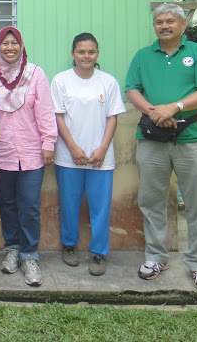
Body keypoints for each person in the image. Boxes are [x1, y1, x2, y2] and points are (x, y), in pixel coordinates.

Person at [125, 3, 197, 292]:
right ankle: (156, 257)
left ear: (182, 24)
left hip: (192, 138)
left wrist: (175, 107)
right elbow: (132, 88)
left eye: (170, 21)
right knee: (151, 200)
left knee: (196, 203)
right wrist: (155, 111)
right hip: (152, 138)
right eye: (159, 22)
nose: (164, 26)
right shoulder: (143, 56)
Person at [0, 27, 56, 287]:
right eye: (5, 44)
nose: (10, 48)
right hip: (1, 153)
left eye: (14, 43)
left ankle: (29, 255)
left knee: (30, 204)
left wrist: (48, 143)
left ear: (21, 46)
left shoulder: (36, 74)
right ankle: (12, 248)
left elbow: (45, 111)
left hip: (32, 152)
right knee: (7, 203)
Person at [50, 33, 126, 276]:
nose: (86, 56)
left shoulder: (108, 82)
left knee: (100, 206)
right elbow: (57, 116)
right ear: (73, 53)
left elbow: (112, 117)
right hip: (67, 156)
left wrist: (103, 148)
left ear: (97, 54)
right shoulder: (61, 81)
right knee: (69, 204)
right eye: (81, 52)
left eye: (91, 52)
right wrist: (72, 147)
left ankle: (99, 253)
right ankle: (69, 246)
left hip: (100, 158)